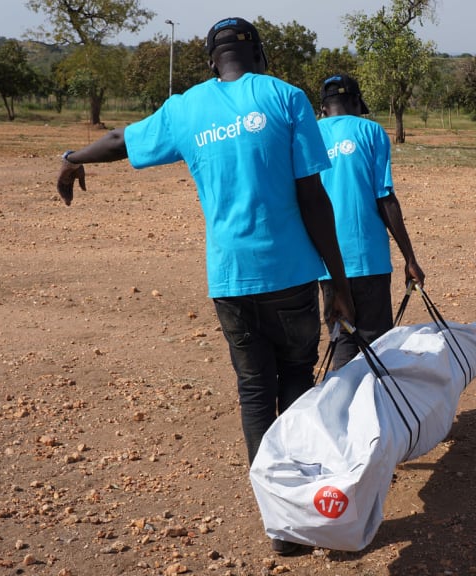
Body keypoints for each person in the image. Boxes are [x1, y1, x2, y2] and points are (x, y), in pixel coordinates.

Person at [55, 16, 354, 556]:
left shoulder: (187, 108)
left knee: (255, 392)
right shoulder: (288, 99)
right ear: (259, 56)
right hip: (289, 277)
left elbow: (123, 139)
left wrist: (71, 158)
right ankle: (304, 505)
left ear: (211, 62)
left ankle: (280, 522)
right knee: (296, 383)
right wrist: (338, 280)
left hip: (230, 279)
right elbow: (314, 198)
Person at [316, 74, 425, 369]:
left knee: (342, 340)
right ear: (355, 102)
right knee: (376, 347)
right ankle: (377, 411)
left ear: (323, 107)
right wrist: (410, 259)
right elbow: (385, 198)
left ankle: (337, 411)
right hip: (368, 259)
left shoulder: (308, 135)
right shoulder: (372, 132)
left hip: (325, 263)